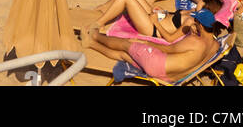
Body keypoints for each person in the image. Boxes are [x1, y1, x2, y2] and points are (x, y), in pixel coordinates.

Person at [87, 14, 220, 81]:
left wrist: (144, 43)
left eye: (196, 23)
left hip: (156, 65)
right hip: (172, 77)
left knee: (126, 44)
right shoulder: (215, 45)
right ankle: (91, 44)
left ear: (200, 26)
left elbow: (168, 49)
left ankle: (95, 36)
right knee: (124, 55)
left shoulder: (195, 42)